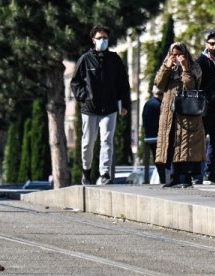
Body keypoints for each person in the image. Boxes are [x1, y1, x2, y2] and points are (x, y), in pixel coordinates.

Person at [70, 25, 131, 185]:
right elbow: (75, 83)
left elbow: (123, 83)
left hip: (109, 108)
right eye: (100, 38)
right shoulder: (85, 59)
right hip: (89, 109)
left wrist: (125, 104)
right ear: (93, 40)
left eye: (105, 38)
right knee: (88, 143)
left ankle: (104, 173)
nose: (103, 41)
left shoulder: (114, 59)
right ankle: (86, 171)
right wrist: (84, 97)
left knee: (107, 140)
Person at [154, 43, 205, 188]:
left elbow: (191, 86)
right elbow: (159, 84)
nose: (176, 57)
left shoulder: (194, 67)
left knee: (187, 145)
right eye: (173, 54)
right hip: (170, 113)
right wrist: (167, 67)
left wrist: (185, 69)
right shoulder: (167, 67)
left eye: (179, 54)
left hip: (188, 112)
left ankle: (187, 178)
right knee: (171, 143)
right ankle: (173, 177)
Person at [196, 32, 215, 184]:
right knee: (199, 141)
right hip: (203, 108)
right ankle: (196, 174)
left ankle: (210, 173)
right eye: (212, 44)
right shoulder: (200, 62)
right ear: (206, 44)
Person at [141, 87, 164, 184]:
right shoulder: (159, 105)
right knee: (162, 159)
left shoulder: (148, 104)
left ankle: (162, 179)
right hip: (158, 136)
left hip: (149, 136)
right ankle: (163, 179)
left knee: (157, 159)